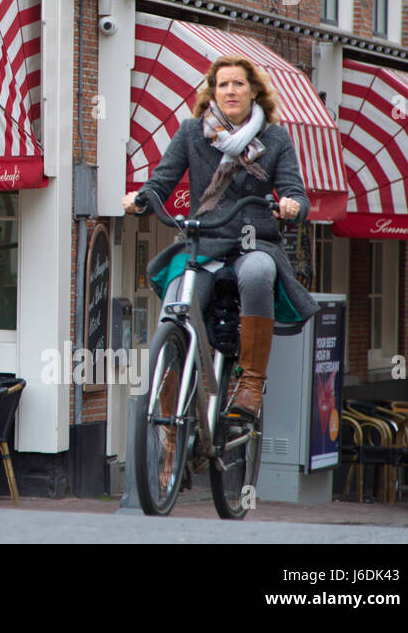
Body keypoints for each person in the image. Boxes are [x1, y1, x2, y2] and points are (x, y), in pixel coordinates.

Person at [123, 55, 320, 420]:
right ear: (213, 92)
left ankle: (250, 384)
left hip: (254, 242)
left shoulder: (275, 138)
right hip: (205, 244)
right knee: (179, 300)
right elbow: (161, 182)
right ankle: (167, 427)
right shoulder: (191, 132)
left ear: (254, 91)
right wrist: (141, 199)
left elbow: (297, 193)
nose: (230, 90)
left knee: (257, 273)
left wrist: (292, 205)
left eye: (238, 83)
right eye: (223, 83)